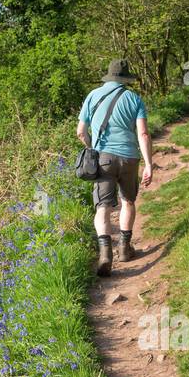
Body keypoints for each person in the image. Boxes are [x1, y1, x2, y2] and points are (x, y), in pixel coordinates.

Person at [76, 58, 153, 277]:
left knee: (103, 207)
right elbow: (144, 134)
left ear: (109, 76)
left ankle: (105, 255)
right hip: (129, 158)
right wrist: (148, 164)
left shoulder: (92, 96)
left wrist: (94, 149)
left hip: (104, 159)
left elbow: (81, 131)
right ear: (126, 78)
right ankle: (125, 249)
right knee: (128, 201)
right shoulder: (134, 98)